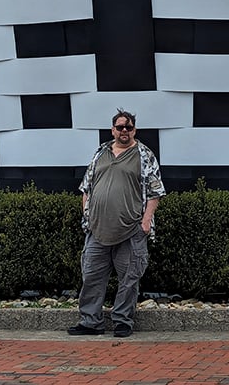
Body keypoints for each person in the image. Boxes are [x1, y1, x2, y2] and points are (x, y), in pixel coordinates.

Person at [67, 109, 166, 337]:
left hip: (131, 229)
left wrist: (146, 221)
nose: (124, 131)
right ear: (113, 130)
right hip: (97, 229)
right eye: (120, 127)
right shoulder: (100, 153)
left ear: (134, 130)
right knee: (91, 276)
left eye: (128, 127)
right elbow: (86, 187)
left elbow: (155, 191)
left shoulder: (144, 155)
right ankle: (90, 322)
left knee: (129, 278)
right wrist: (87, 216)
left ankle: (123, 321)